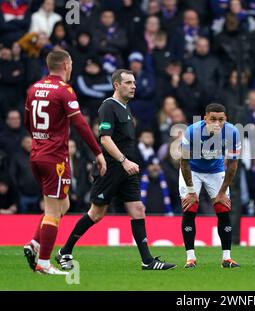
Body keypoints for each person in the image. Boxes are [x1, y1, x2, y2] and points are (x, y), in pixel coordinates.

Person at [55, 69, 176, 271]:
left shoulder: (126, 108)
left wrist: (128, 163)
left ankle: (147, 261)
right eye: (128, 82)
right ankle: (64, 251)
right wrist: (123, 160)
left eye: (134, 82)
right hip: (111, 168)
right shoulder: (108, 107)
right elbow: (105, 139)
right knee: (96, 213)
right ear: (116, 85)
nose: (133, 86)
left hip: (127, 169)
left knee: (138, 209)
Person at [22, 50, 106, 275]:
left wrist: (41, 139)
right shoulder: (64, 91)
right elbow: (80, 124)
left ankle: (35, 244)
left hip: (37, 154)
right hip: (55, 158)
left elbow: (27, 123)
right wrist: (97, 153)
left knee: (63, 205)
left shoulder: (34, 89)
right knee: (52, 209)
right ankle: (44, 263)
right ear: (67, 65)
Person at [180, 103, 241, 269]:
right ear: (205, 118)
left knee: (223, 207)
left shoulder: (232, 132)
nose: (217, 123)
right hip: (192, 170)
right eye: (213, 119)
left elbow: (233, 165)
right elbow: (184, 162)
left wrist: (222, 192)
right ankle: (190, 258)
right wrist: (192, 191)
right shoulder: (192, 131)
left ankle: (226, 259)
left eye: (221, 119)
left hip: (215, 170)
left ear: (226, 119)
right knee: (190, 206)